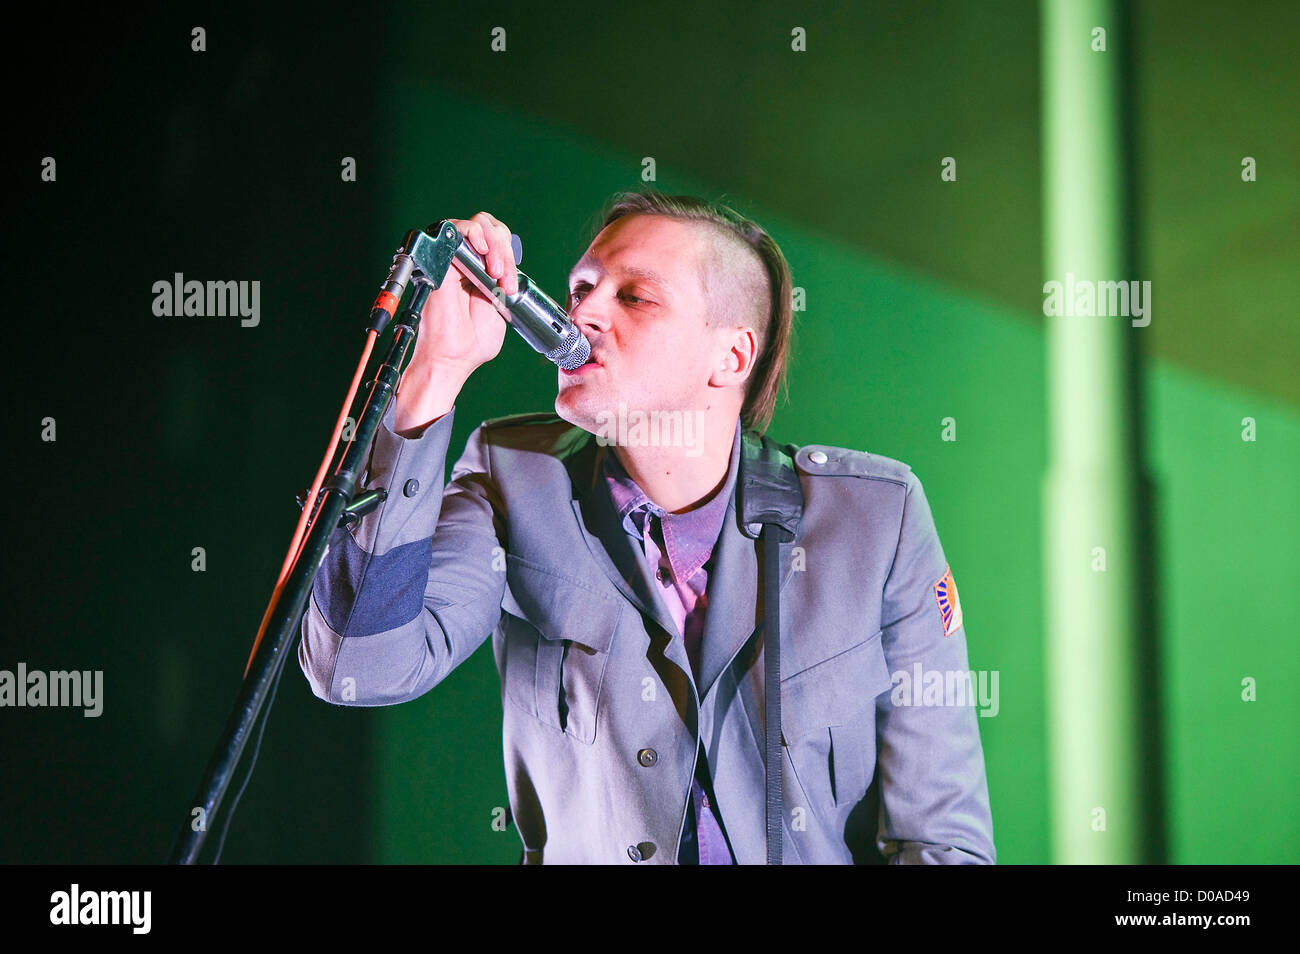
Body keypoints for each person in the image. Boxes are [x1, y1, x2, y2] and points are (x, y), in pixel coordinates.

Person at [298, 191, 996, 864]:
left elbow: (940, 838)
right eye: (580, 291)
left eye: (635, 296)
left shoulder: (875, 519)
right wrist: (433, 378)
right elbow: (357, 670)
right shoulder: (514, 474)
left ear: (732, 357)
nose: (586, 312)